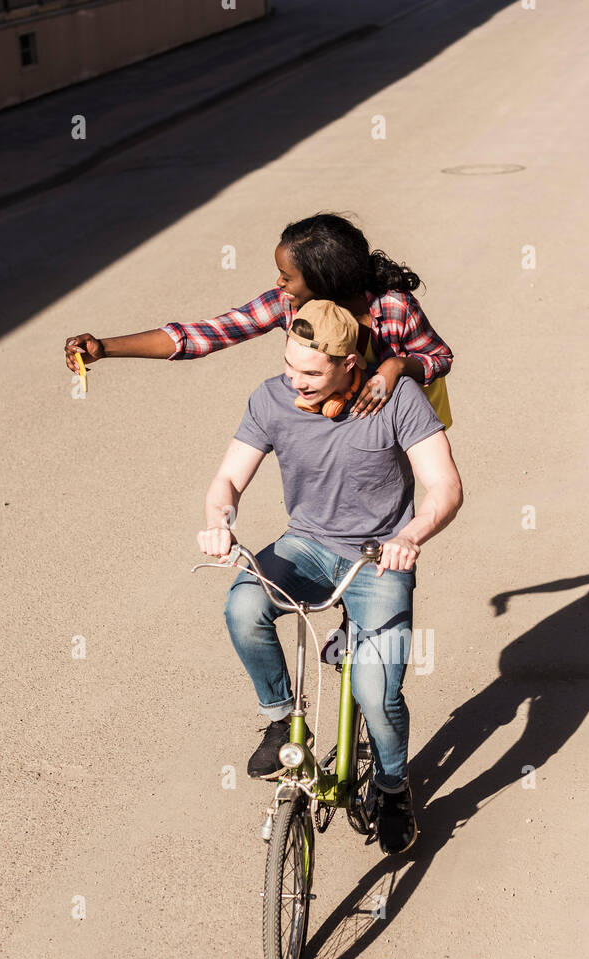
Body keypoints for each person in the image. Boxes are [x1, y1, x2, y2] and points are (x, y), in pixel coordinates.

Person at [198, 299, 463, 854]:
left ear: (351, 365)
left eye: (311, 374)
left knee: (376, 692)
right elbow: (228, 478)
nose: (294, 382)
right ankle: (279, 721)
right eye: (290, 366)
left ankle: (393, 788)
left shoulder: (397, 399)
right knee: (243, 607)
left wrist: (411, 536)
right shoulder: (271, 398)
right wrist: (219, 522)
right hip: (307, 547)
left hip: (377, 561)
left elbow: (445, 488)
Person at [63, 212, 454, 425]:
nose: (278, 282)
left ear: (323, 281)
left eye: (287, 276)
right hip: (338, 418)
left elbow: (440, 358)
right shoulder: (286, 305)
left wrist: (396, 366)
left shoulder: (394, 308)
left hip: (405, 419)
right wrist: (106, 348)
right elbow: (206, 334)